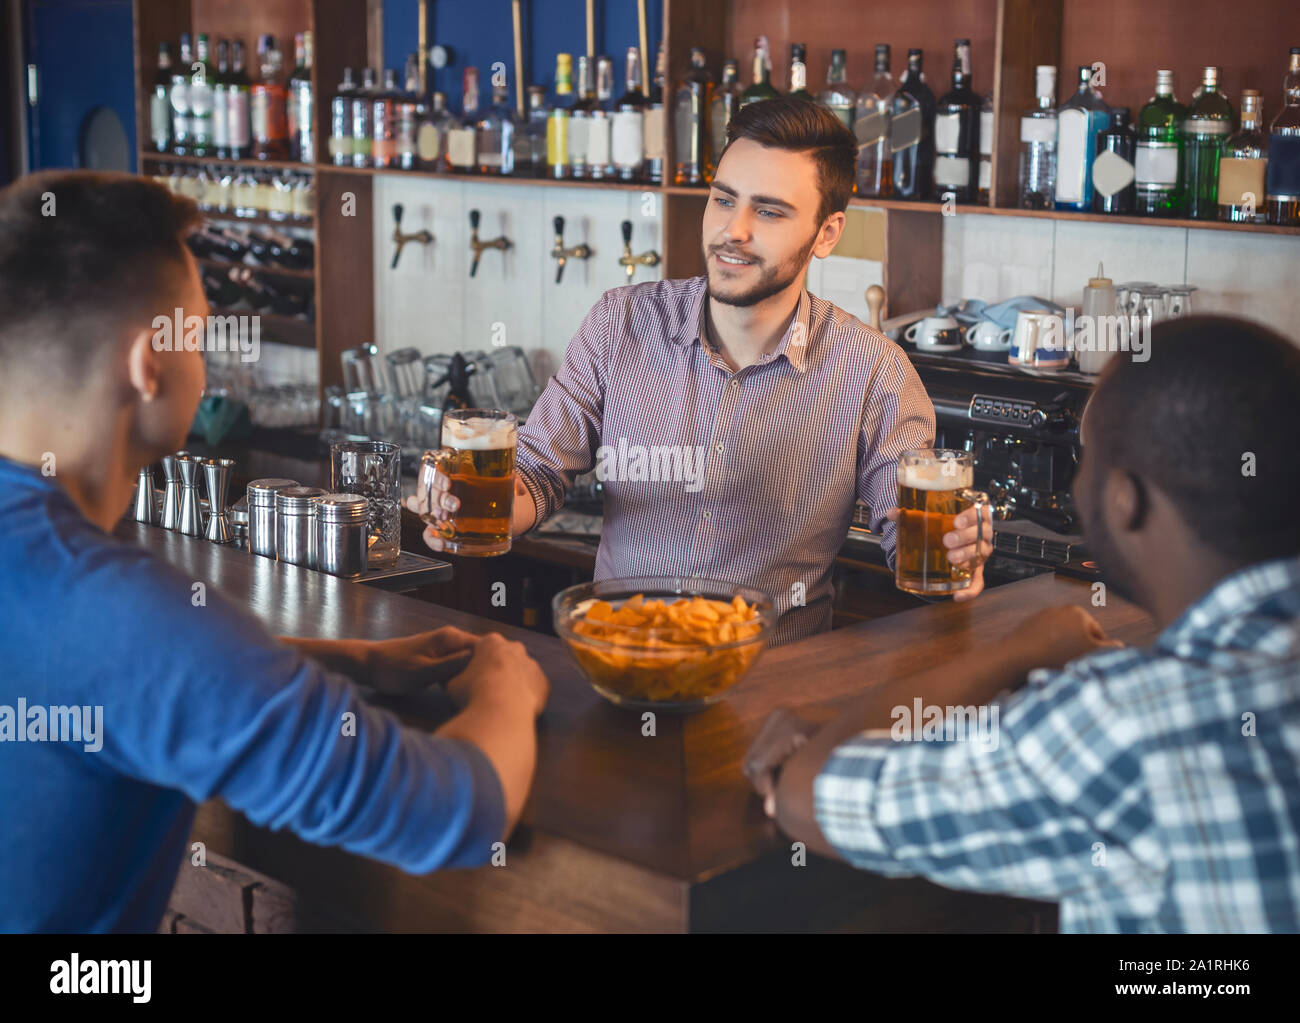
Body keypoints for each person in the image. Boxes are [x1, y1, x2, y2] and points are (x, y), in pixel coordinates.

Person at [0, 171, 549, 932]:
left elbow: (98, 668)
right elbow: (453, 811)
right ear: (146, 364)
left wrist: (347, 660)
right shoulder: (119, 613)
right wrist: (507, 690)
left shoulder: (88, 605)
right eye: (200, 331)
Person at [744, 315, 1300, 933]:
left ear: (1125, 500)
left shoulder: (1128, 721)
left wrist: (1016, 653)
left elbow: (810, 796)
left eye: (1085, 461)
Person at [413, 97, 992, 645]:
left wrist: (959, 551)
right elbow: (537, 477)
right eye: (723, 199)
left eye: (768, 211)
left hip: (774, 696)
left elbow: (909, 534)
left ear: (827, 234)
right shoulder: (621, 323)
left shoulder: (875, 373)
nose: (733, 231)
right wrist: (469, 509)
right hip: (622, 664)